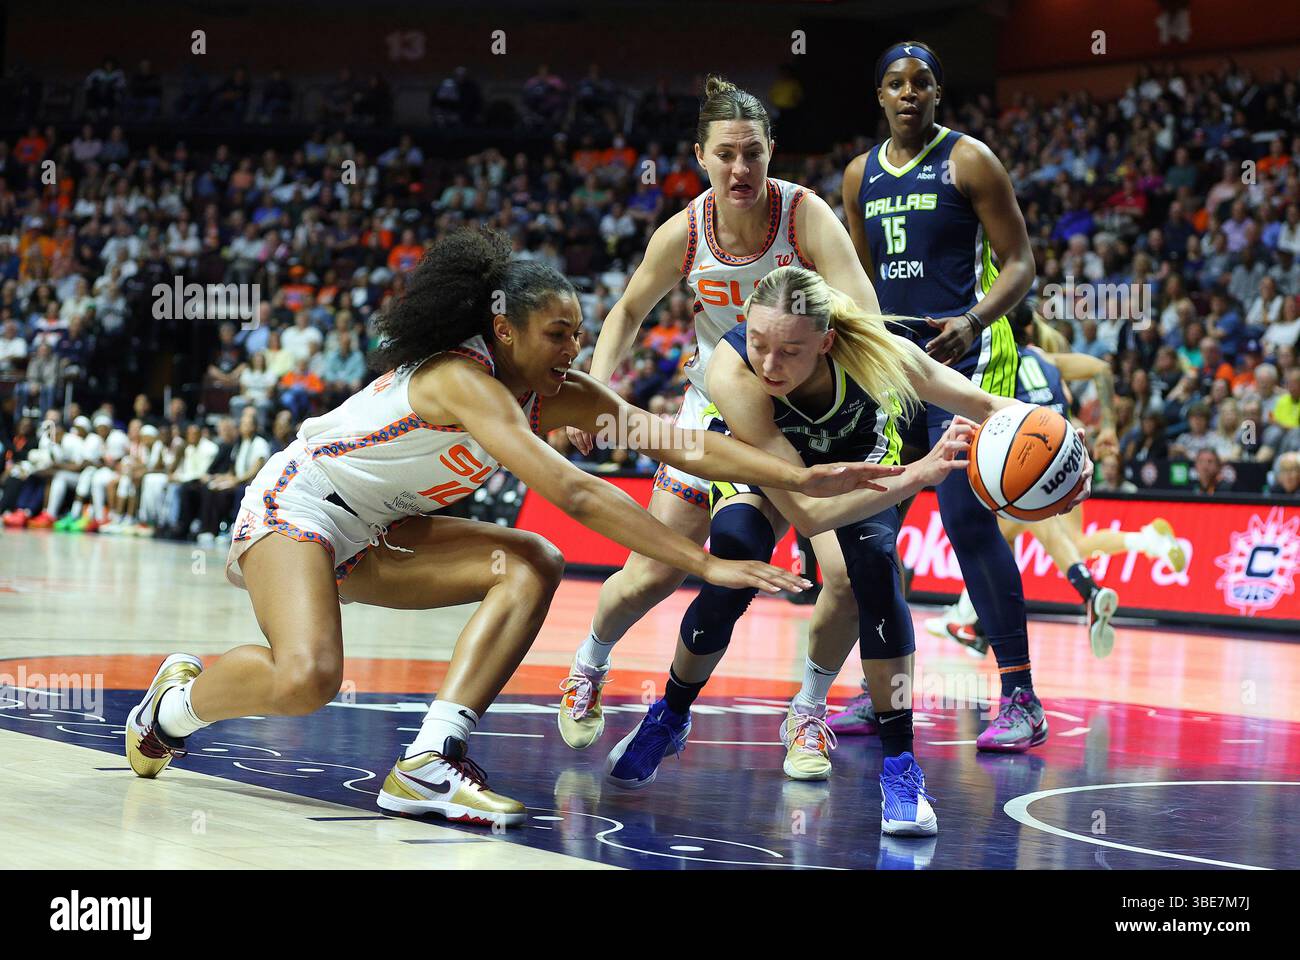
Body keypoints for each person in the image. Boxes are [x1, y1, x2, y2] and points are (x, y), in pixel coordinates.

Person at [123, 229, 897, 828]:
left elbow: (664, 435)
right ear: (504, 328)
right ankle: (170, 710)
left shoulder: (551, 389)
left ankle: (430, 760)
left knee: (530, 562)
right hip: (300, 505)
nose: (574, 349)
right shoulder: (463, 380)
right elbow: (573, 489)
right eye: (558, 334)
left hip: (383, 528)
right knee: (308, 679)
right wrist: (705, 563)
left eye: (578, 332)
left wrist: (792, 475)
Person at [603, 268, 1070, 836]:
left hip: (858, 455)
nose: (771, 365)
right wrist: (920, 475)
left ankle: (900, 765)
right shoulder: (735, 373)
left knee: (872, 569)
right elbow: (803, 510)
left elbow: (981, 401)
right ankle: (671, 713)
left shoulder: (878, 349)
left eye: (791, 351)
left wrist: (1066, 450)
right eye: (759, 343)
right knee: (736, 561)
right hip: (774, 467)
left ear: (825, 342)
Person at [557, 75, 887, 752]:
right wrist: (591, 391)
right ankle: (589, 664)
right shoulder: (686, 232)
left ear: (772, 152)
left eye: (754, 154)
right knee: (654, 570)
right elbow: (626, 311)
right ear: (701, 157)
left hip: (805, 416)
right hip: (717, 409)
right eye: (726, 155)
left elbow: (866, 316)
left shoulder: (805, 216)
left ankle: (809, 709)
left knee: (847, 578)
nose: (741, 169)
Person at [843, 41, 1044, 751]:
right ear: (879, 95)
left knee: (965, 520)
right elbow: (860, 289)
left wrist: (972, 322)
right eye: (894, 83)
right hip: (895, 370)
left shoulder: (970, 159)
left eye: (921, 83)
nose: (908, 93)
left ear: (936, 94)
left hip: (972, 360)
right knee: (870, 530)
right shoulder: (858, 176)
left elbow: (1021, 262)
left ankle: (1019, 694)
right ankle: (884, 691)